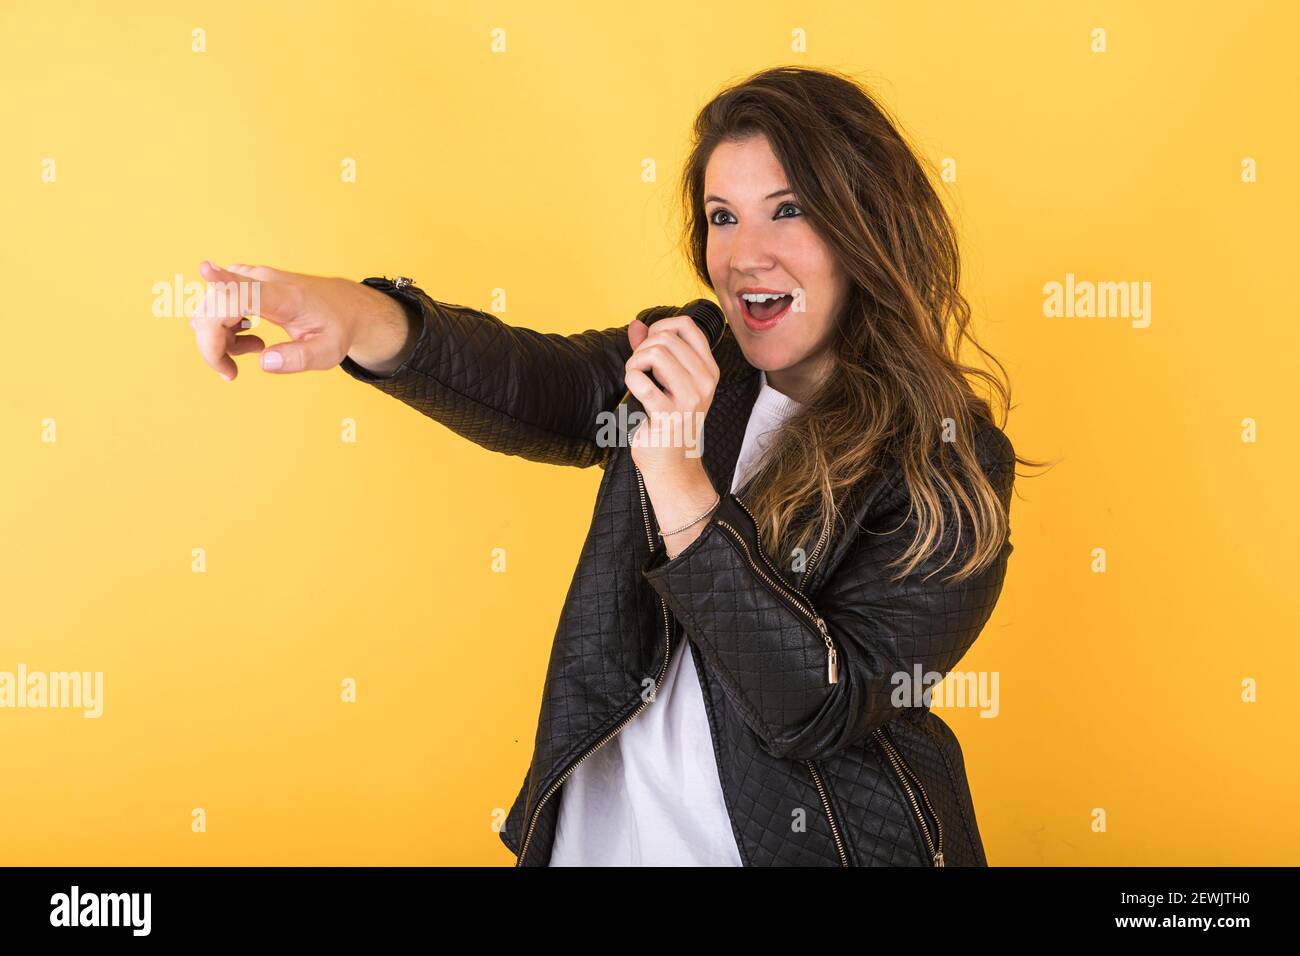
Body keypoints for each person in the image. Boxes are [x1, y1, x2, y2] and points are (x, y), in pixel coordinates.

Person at [189, 65, 1037, 866]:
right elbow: (530, 383)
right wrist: (353, 313)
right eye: (721, 215)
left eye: (788, 211)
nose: (745, 254)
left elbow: (815, 705)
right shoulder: (690, 349)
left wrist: (677, 480)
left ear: (865, 228)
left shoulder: (945, 459)